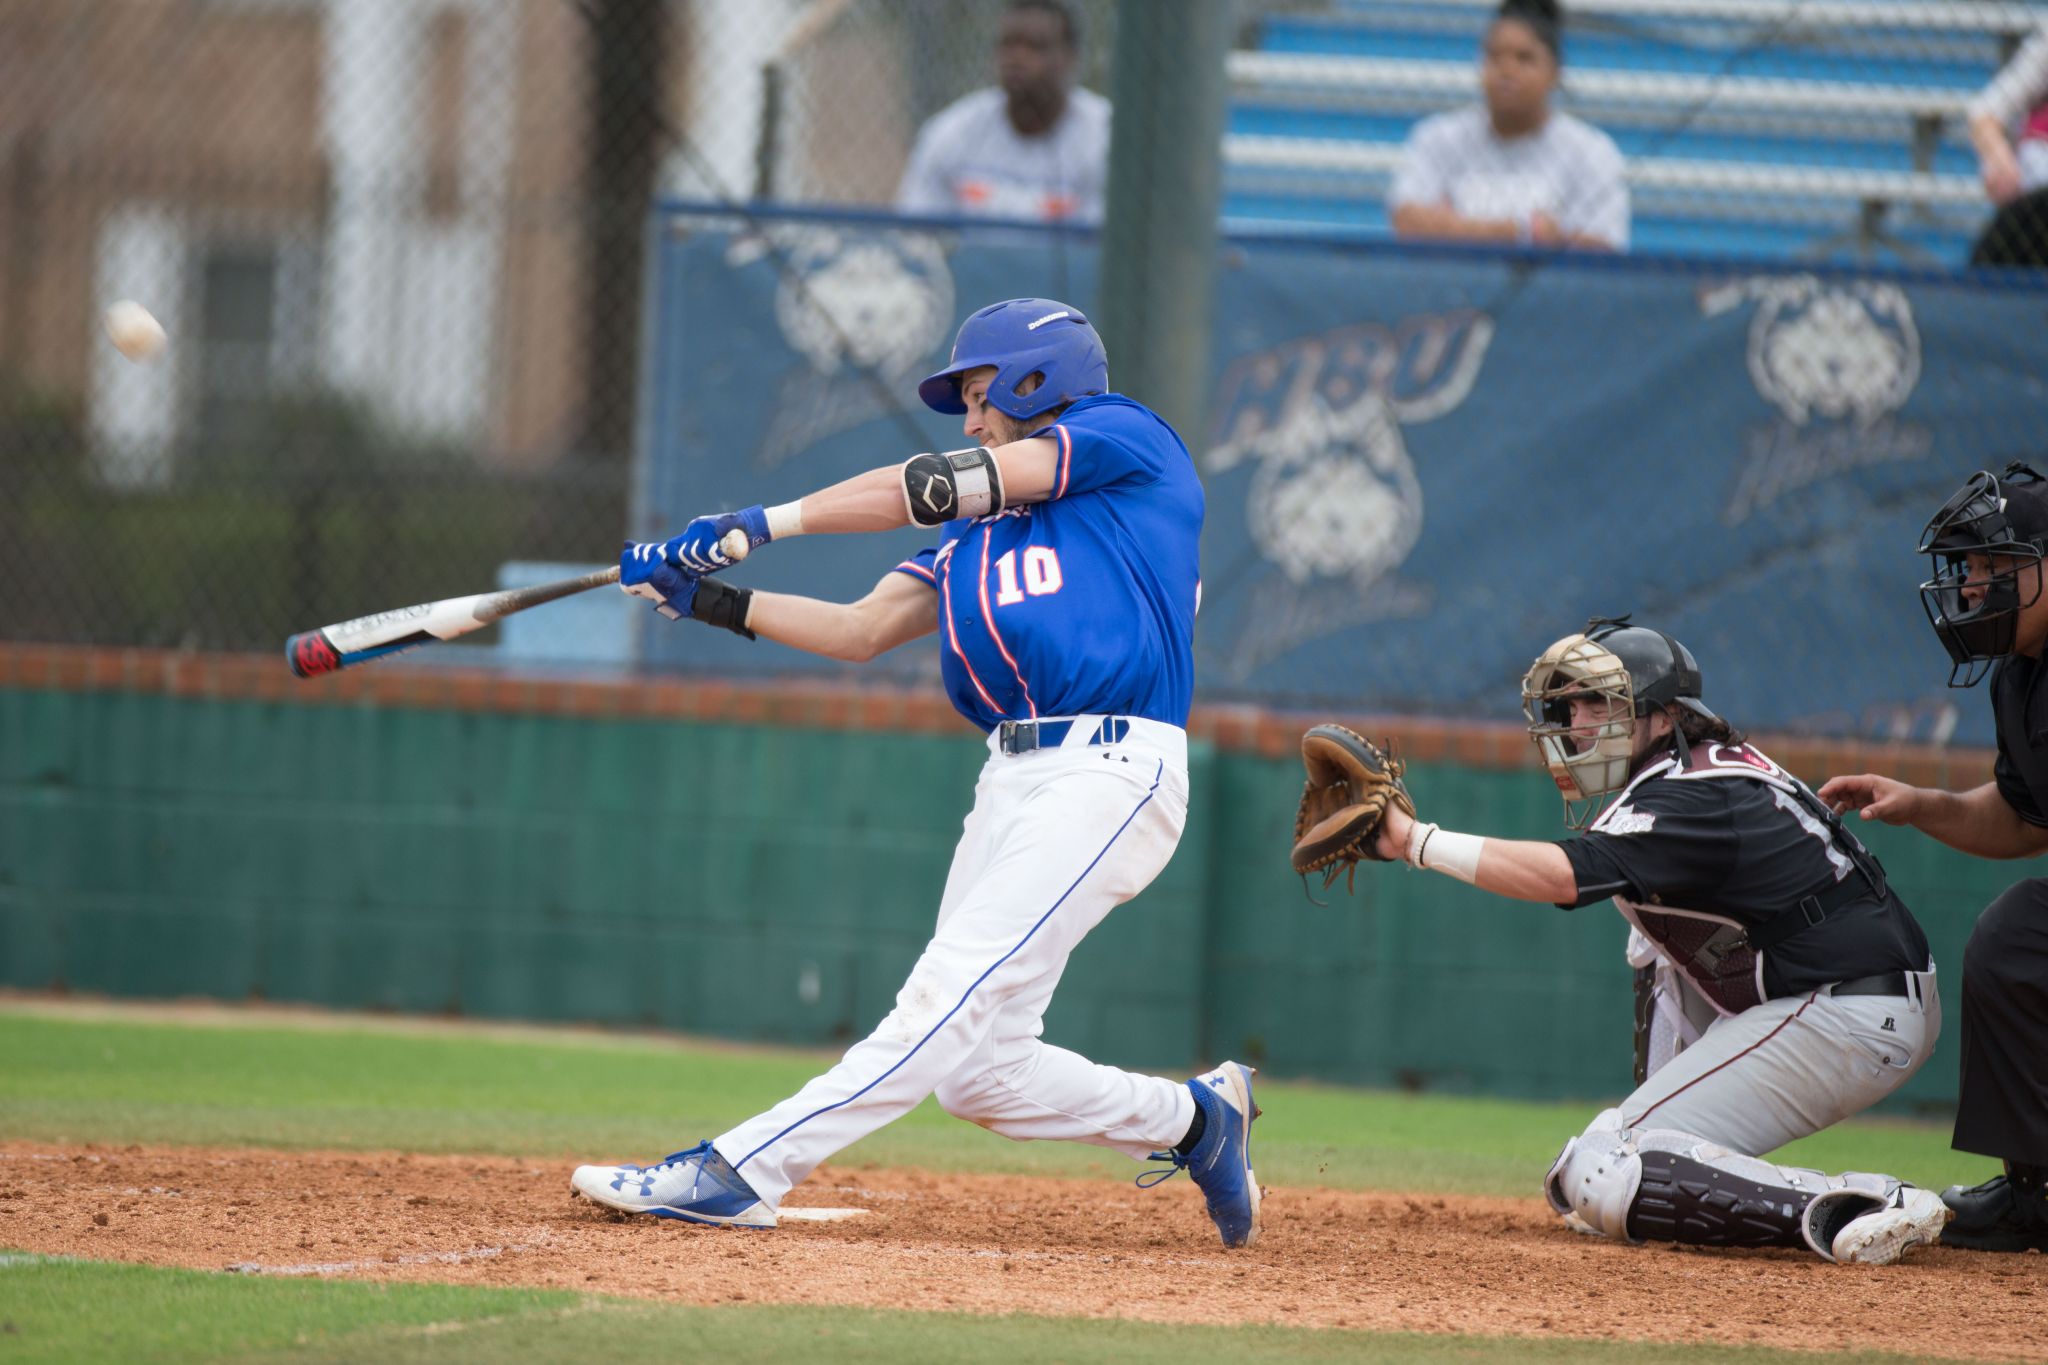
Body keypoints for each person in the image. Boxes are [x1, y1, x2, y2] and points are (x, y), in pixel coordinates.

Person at [569, 298, 1261, 1248]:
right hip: (1013, 774)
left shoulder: (1122, 439)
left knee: (945, 995)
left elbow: (935, 481)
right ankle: (1196, 1121)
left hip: (1114, 766)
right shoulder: (981, 537)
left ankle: (740, 1171)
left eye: (980, 396)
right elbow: (859, 630)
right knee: (978, 1072)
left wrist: (756, 522)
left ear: (1037, 381)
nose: (970, 419)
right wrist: (707, 598)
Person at [1363, 618, 1949, 1264]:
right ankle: (1651, 1155)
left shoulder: (1688, 793)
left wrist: (1412, 840)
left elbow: (1560, 877)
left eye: (1599, 702)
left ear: (1663, 717)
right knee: (1607, 1167)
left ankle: (1863, 1202)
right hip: (1846, 994)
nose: (1577, 720)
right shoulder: (1689, 773)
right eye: (1570, 703)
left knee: (1604, 1162)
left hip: (1853, 1004)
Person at [1818, 463, 2048, 1254]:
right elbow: (2025, 817)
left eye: (1998, 565)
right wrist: (1920, 803)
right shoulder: (2021, 675)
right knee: (2018, 937)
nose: (1978, 586)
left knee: (2021, 929)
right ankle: (2036, 1191)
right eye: (1973, 569)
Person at [1389, 0, 1628, 251]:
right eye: (1494, 56)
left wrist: (1453, 228)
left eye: (1524, 58)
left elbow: (1602, 248)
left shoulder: (1590, 151)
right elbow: (1407, 222)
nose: (1507, 70)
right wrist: (1527, 232)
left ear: (1555, 72)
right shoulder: (1438, 138)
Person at [895, 0, 1110, 223]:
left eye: (1035, 46)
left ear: (1069, 58)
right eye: (1008, 44)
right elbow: (917, 234)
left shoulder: (1105, 137)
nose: (1017, 58)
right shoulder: (953, 132)